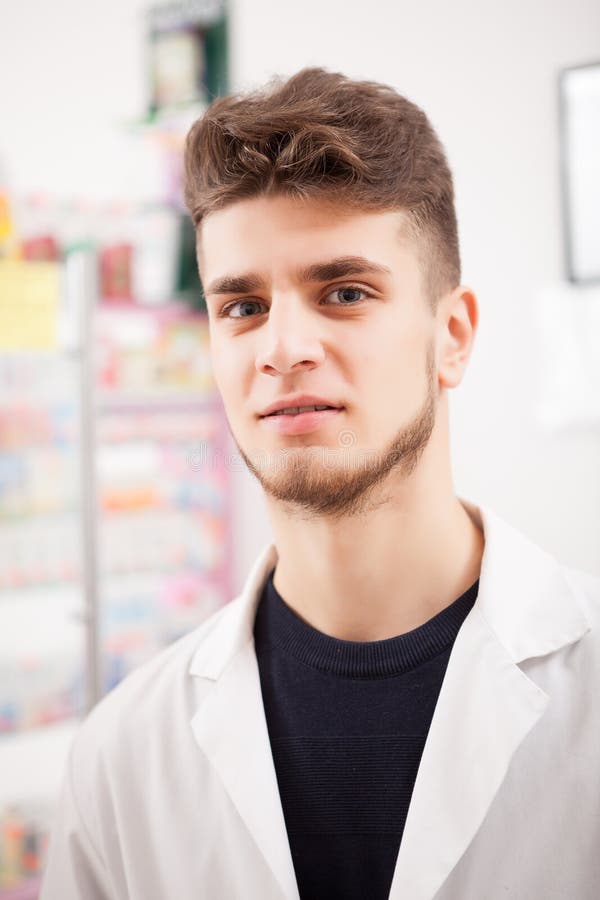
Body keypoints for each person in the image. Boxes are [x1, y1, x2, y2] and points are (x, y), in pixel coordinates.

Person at [40, 67, 600, 900]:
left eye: (344, 293)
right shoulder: (125, 756)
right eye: (242, 307)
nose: (283, 347)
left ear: (451, 336)